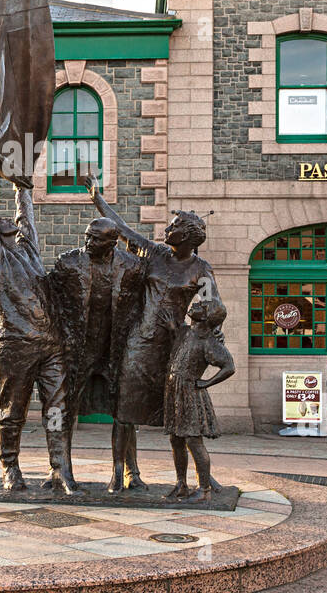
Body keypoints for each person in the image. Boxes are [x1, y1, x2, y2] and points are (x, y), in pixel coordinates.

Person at [81, 172, 219, 493]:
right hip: (137, 344)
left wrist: (206, 332)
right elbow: (123, 229)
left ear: (187, 236)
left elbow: (215, 307)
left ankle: (197, 478)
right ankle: (123, 472)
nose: (166, 230)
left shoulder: (201, 269)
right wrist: (97, 198)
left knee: (181, 416)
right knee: (124, 412)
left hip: (171, 350)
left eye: (173, 227)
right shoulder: (155, 254)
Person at [0, 150, 77, 493]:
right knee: (13, 410)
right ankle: (9, 466)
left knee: (56, 409)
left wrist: (22, 188)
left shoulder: (28, 249)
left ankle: (59, 469)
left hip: (50, 343)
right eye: (0, 225)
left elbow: (27, 217)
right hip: (16, 343)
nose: (7, 224)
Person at [48, 216, 144, 492]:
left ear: (112, 243)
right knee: (64, 409)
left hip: (115, 349)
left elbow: (144, 305)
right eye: (87, 236)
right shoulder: (68, 263)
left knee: (123, 412)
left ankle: (126, 472)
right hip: (77, 351)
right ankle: (60, 469)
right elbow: (49, 303)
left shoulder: (133, 266)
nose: (88, 242)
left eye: (95, 238)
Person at [163, 299, 235, 503]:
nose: (195, 304)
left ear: (206, 316)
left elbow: (229, 366)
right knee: (175, 439)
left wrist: (206, 383)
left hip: (189, 394)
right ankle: (181, 484)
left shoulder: (209, 341)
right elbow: (178, 343)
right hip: (174, 392)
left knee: (193, 441)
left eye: (201, 306)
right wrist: (171, 330)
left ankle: (204, 489)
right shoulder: (186, 331)